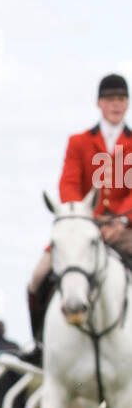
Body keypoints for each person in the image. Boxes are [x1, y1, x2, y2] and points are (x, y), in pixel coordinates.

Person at [27, 73, 132, 361]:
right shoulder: (79, 142)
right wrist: (86, 218)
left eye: (121, 99)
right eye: (110, 99)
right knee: (37, 278)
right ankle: (39, 345)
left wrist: (120, 220)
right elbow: (69, 184)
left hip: (125, 228)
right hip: (85, 225)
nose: (116, 104)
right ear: (99, 103)